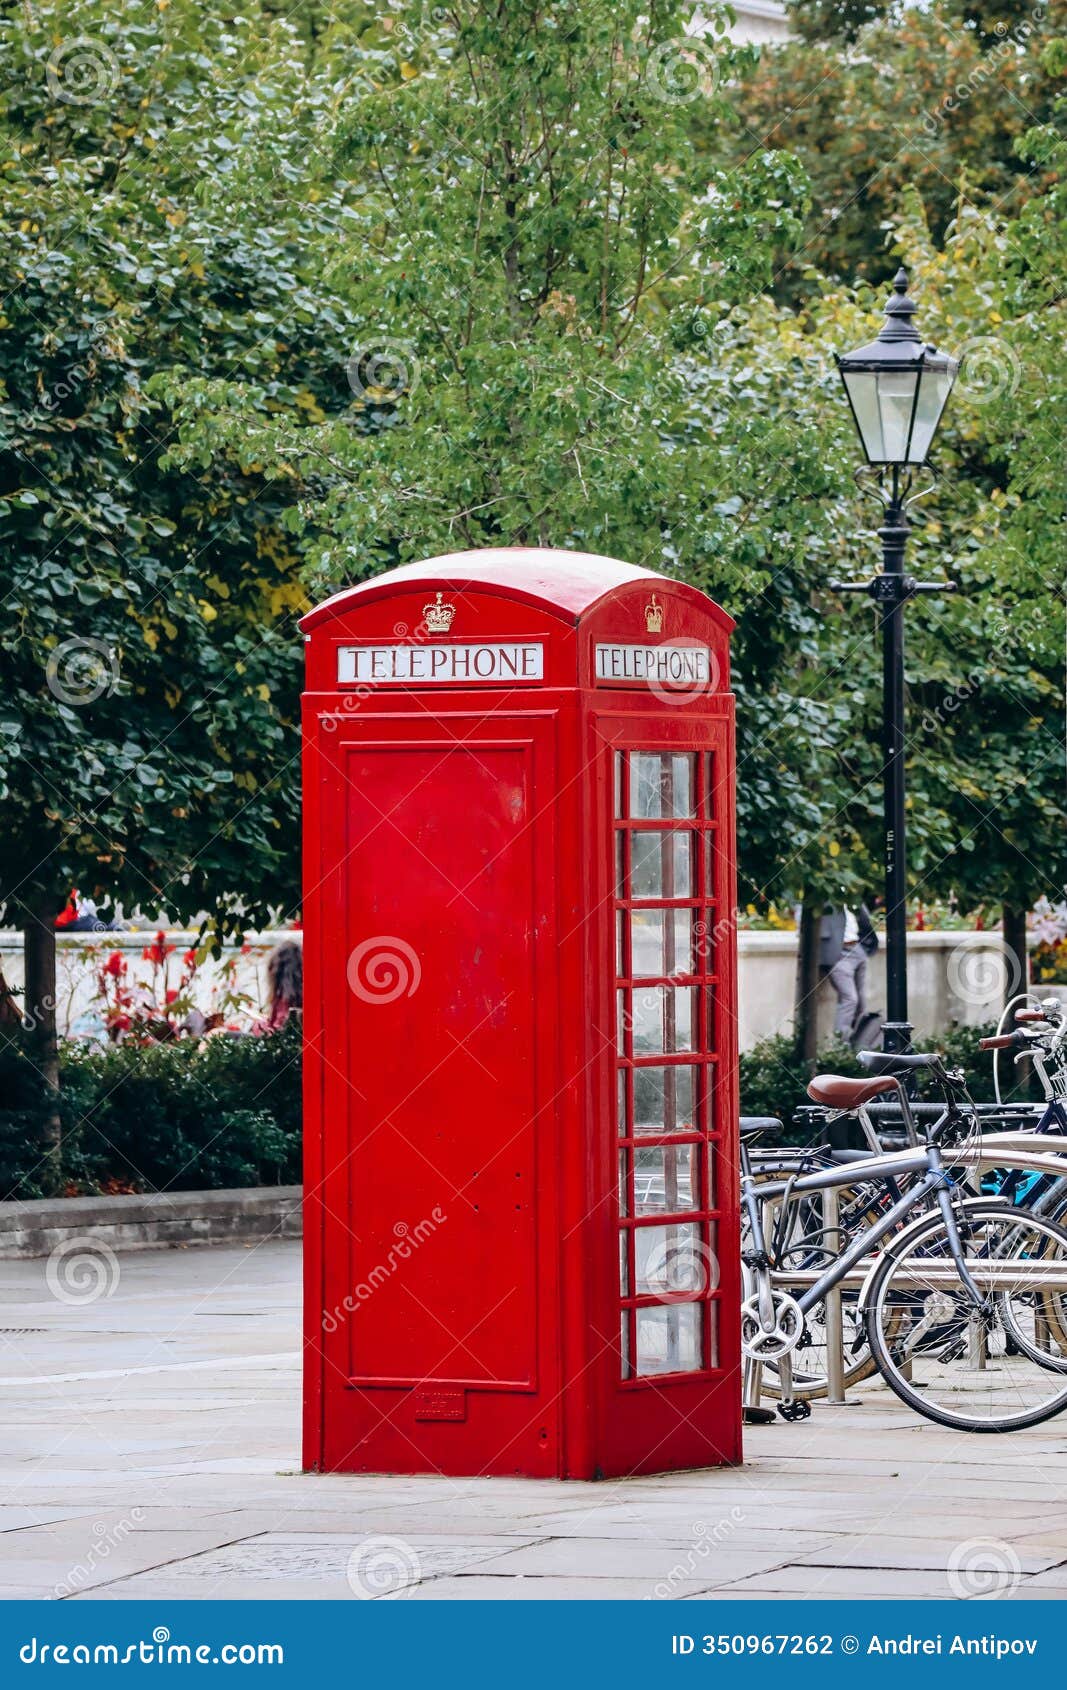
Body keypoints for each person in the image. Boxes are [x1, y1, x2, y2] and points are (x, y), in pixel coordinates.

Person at [820, 904, 878, 1045]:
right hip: (839, 953)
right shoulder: (825, 900)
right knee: (849, 998)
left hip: (857, 949)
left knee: (861, 1003)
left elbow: (864, 922)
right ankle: (841, 1044)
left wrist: (863, 949)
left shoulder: (853, 899)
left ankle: (858, 1042)